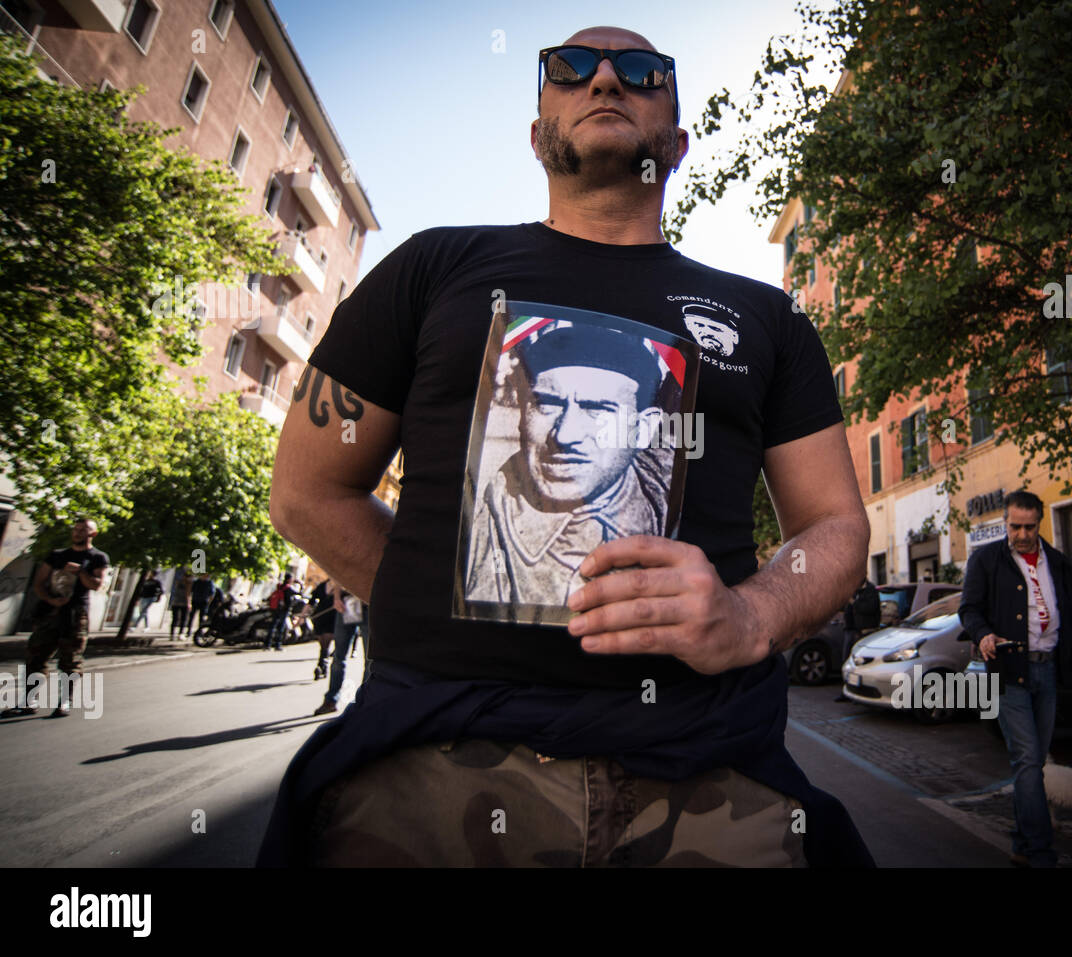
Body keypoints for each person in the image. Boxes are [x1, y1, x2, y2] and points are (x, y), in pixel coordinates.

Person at [261, 27, 871, 868]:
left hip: (706, 773)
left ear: (679, 142)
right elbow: (306, 491)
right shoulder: (431, 268)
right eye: (571, 68)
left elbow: (835, 527)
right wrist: (438, 597)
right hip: (434, 762)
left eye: (645, 73)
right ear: (539, 131)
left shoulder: (766, 318)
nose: (607, 80)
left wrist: (749, 615)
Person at [467, 323, 673, 606]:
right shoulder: (481, 523)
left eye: (597, 408)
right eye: (548, 404)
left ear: (644, 429)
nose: (565, 435)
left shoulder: (665, 494)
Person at [958, 489, 1072, 868]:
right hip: (1008, 673)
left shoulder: (1060, 564)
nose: (1021, 534)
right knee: (1028, 759)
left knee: (1032, 763)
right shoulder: (986, 560)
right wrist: (981, 632)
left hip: (1048, 671)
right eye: (1014, 526)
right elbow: (968, 607)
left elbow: (1070, 621)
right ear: (1005, 522)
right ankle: (1041, 851)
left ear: (1039, 523)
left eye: (1029, 527)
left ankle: (1020, 840)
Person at [3, 517, 109, 718]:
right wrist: (51, 600)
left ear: (93, 534)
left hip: (76, 614)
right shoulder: (57, 555)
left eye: (83, 530)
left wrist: (80, 571)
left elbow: (96, 584)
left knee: (70, 660)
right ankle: (29, 700)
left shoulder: (97, 557)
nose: (78, 532)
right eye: (76, 529)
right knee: (36, 656)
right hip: (50, 612)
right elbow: (39, 582)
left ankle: (65, 701)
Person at [314, 583, 368, 715]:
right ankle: (331, 700)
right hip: (349, 603)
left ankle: (365, 703)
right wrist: (337, 597)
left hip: (369, 604)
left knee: (370, 660)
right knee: (339, 657)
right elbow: (339, 575)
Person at [310, 578, 337, 680]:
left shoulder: (341, 587)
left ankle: (321, 665)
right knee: (322, 643)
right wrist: (302, 616)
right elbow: (311, 601)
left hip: (332, 617)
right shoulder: (322, 586)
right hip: (320, 617)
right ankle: (323, 665)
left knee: (327, 642)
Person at [188, 573, 217, 637]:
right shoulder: (196, 582)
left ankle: (199, 632)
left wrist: (208, 602)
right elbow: (190, 591)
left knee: (201, 618)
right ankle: (189, 631)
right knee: (191, 617)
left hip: (204, 602)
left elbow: (212, 594)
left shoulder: (209, 583)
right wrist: (189, 602)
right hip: (195, 601)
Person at [168, 568, 192, 640]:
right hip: (182, 603)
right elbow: (188, 594)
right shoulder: (187, 584)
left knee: (177, 619)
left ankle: (174, 634)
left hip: (177, 602)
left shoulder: (179, 582)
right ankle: (178, 634)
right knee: (180, 619)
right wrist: (189, 603)